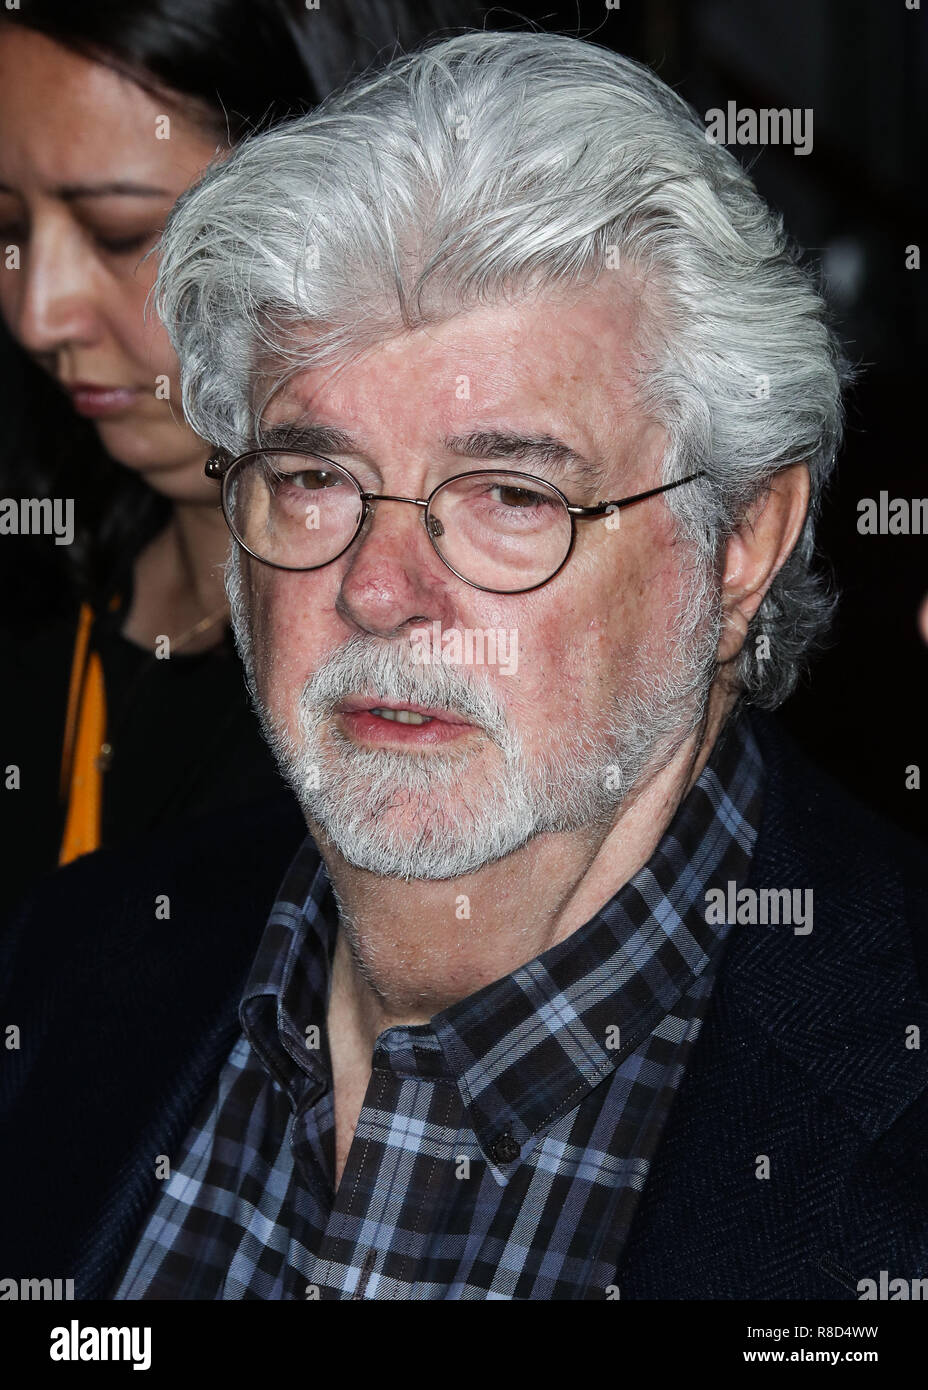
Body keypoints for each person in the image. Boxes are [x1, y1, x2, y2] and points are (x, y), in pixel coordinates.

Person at [2, 29, 926, 1301]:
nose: (378, 590)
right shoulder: (66, 963)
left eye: (507, 493)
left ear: (740, 544)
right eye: (314, 477)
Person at [0, 0, 475, 915]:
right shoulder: (41, 574)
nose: (39, 313)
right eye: (8, 227)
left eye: (119, 234)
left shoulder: (425, 665)